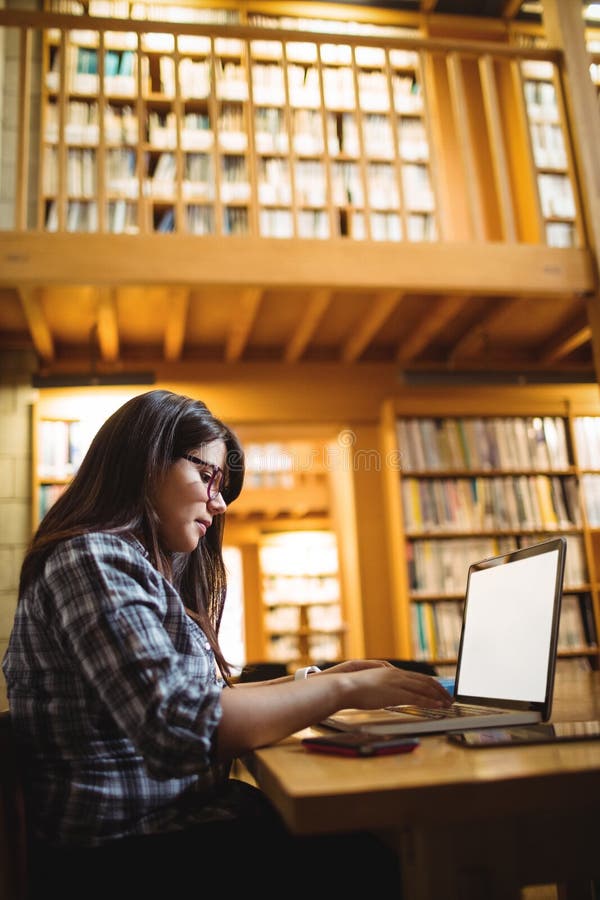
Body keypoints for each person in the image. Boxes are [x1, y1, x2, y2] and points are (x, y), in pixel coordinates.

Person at [2, 389, 451, 899]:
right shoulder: (94, 558)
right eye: (208, 476)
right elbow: (180, 726)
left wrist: (323, 678)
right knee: (374, 858)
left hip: (155, 831)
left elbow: (202, 698)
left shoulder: (126, 564)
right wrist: (339, 694)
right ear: (148, 460)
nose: (218, 502)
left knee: (369, 840)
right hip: (124, 856)